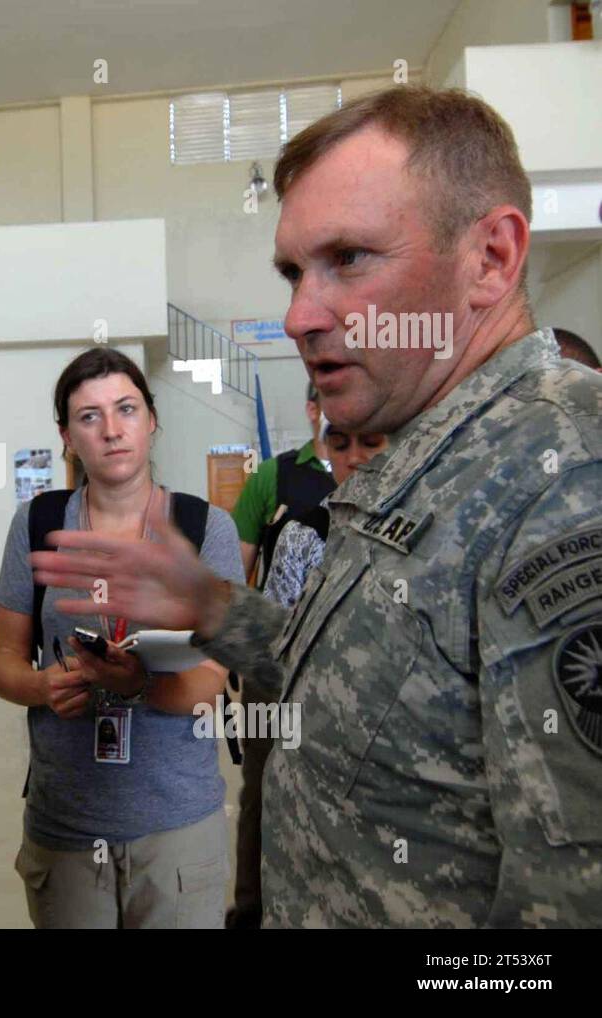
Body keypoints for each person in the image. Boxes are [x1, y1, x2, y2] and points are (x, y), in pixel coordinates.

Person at [32, 86, 602, 927]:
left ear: (490, 258)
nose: (300, 315)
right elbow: (342, 684)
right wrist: (210, 606)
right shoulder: (415, 449)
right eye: (295, 271)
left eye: (351, 259)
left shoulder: (564, 477)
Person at [0, 347, 244, 929]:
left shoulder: (206, 528)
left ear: (152, 419)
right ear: (66, 435)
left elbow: (211, 682)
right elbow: (3, 662)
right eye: (89, 416)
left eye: (126, 409)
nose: (111, 430)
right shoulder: (37, 524)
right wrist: (41, 686)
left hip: (177, 824)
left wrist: (138, 686)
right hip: (67, 824)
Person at [226, 383, 334, 928]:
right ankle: (251, 907)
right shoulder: (275, 475)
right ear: (311, 408)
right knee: (262, 786)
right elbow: (238, 568)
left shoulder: (396, 465)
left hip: (345, 662)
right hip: (272, 663)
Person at [262, 420, 389, 609]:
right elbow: (280, 628)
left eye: (370, 441)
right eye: (339, 443)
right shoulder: (301, 535)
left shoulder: (430, 520)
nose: (354, 458)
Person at [231, 382, 334, 585]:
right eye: (335, 396)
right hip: (283, 614)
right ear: (313, 410)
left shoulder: (380, 474)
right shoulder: (270, 474)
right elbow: (233, 576)